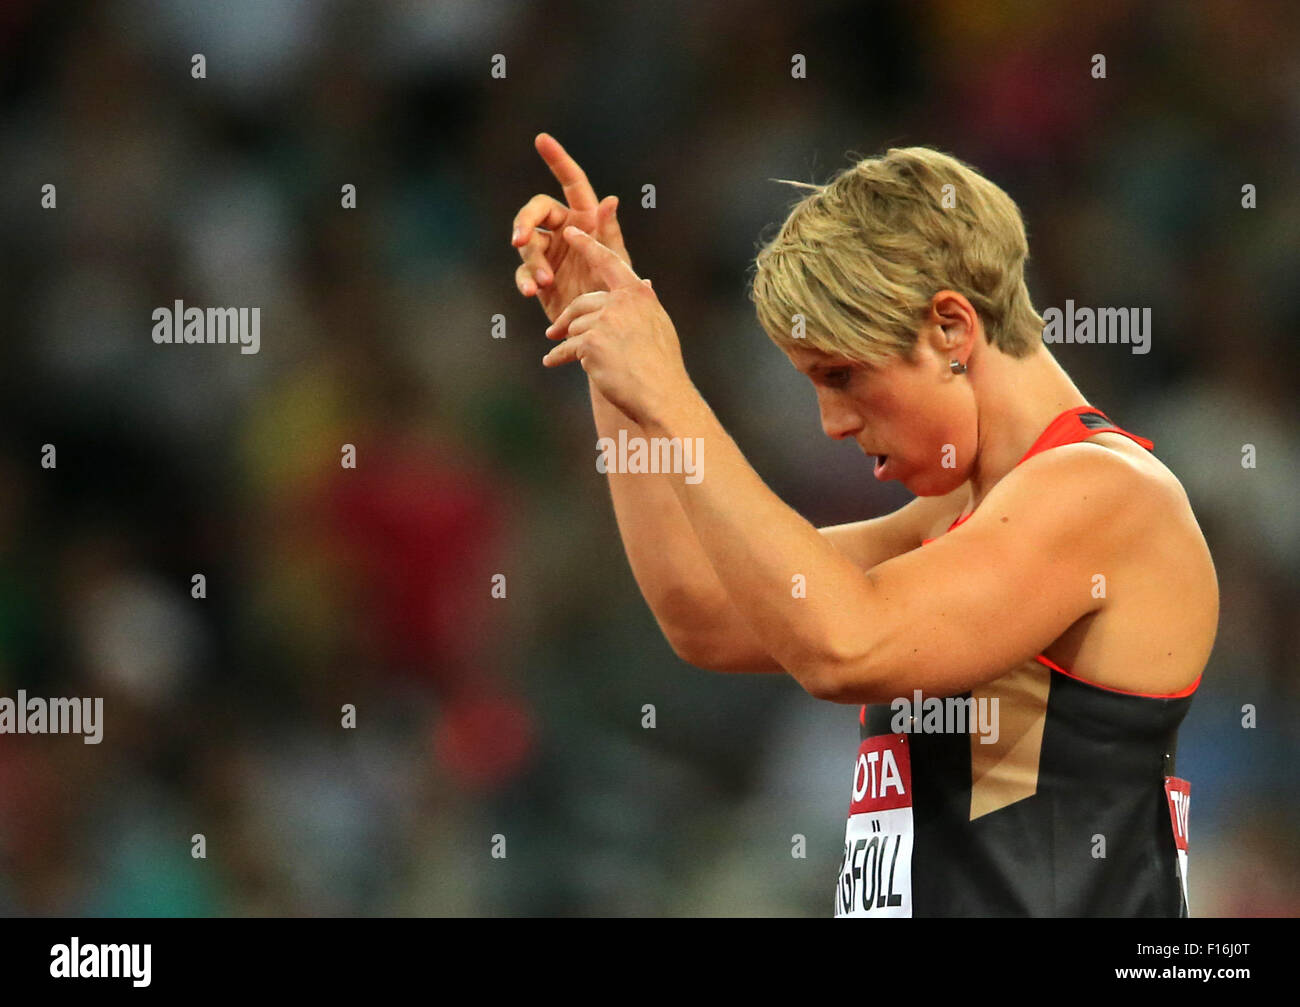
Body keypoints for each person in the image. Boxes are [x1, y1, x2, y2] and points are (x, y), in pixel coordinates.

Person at [511, 135, 1218, 917]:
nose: (831, 424)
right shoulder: (963, 515)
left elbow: (845, 647)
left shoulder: (1107, 492)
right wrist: (610, 351)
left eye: (843, 376)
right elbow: (703, 607)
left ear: (951, 328)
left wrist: (673, 393)